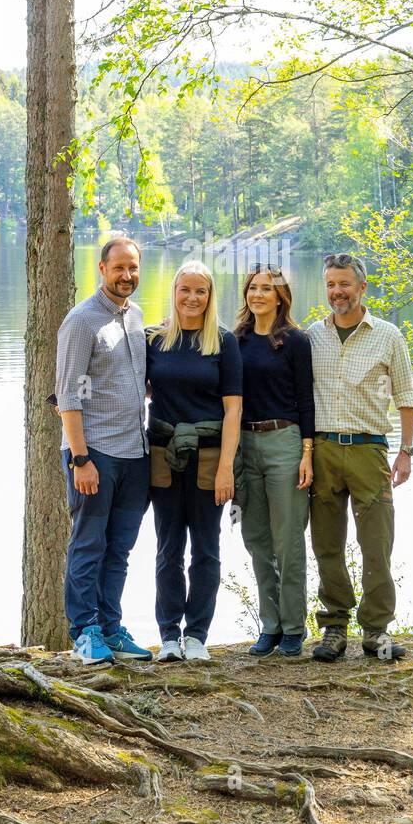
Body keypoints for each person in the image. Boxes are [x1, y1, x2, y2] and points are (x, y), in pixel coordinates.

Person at [306, 252, 413, 662]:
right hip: (323, 451)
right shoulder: (312, 336)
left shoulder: (388, 335)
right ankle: (334, 627)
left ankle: (376, 632)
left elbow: (407, 398)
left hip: (370, 450)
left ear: (362, 287)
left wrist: (405, 453)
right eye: (332, 285)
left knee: (377, 545)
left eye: (345, 284)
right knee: (326, 545)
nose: (338, 292)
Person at [55, 237, 152, 666]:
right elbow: (68, 396)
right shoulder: (81, 322)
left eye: (133, 268)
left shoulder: (136, 319)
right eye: (119, 268)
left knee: (120, 549)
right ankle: (85, 632)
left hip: (135, 452)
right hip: (95, 453)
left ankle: (112, 628)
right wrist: (80, 458)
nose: (127, 276)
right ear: (101, 268)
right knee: (89, 544)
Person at [146, 260, 242, 662]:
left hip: (209, 457)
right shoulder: (154, 340)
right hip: (163, 455)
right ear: (174, 291)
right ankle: (169, 635)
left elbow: (233, 411)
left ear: (210, 295)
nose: (192, 297)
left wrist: (226, 468)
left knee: (206, 548)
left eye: (200, 290)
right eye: (185, 289)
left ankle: (197, 635)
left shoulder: (223, 342)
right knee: (168, 547)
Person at [234, 265, 314, 658]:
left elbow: (306, 400)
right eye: (253, 288)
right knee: (258, 541)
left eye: (267, 289)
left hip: (286, 443)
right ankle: (270, 627)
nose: (258, 295)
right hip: (246, 445)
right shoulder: (237, 341)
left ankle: (294, 627)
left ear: (281, 297)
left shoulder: (296, 341)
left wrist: (307, 453)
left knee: (288, 541)